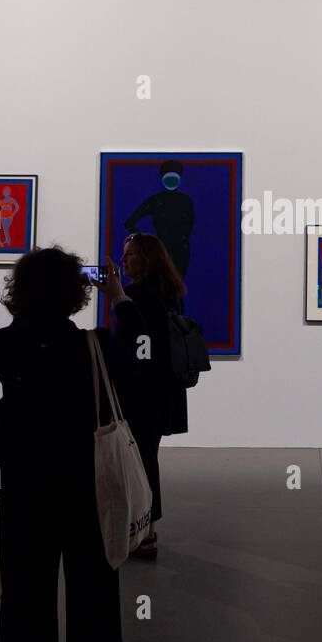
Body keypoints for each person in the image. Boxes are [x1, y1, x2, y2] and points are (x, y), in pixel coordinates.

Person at [0, 246, 138, 642]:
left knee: (24, 593)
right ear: (76, 294)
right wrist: (118, 298)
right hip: (86, 484)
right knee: (95, 594)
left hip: (25, 483)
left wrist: (29, 311)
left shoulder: (2, 345)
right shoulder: (97, 347)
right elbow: (136, 355)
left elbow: (21, 347)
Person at [111, 232, 190, 560]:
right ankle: (146, 530)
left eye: (129, 255)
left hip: (140, 392)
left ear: (145, 259)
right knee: (146, 457)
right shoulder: (170, 292)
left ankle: (145, 534)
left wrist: (117, 298)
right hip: (163, 391)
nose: (123, 260)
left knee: (139, 460)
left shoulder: (137, 294)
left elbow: (134, 343)